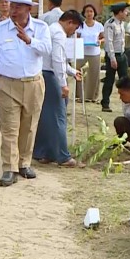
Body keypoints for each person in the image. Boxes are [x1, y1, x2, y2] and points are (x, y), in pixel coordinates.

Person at [0, 0, 51, 187]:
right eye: (12, 6)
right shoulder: (0, 29)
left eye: (18, 7)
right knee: (9, 128)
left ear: (29, 9)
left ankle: (24, 163)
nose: (13, 10)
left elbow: (47, 49)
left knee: (29, 127)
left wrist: (30, 41)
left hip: (34, 84)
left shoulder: (41, 28)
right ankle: (9, 168)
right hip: (7, 84)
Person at [33, 10, 85, 167]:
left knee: (46, 116)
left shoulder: (51, 30)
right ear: (70, 22)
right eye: (75, 28)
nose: (74, 32)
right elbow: (57, 60)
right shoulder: (59, 34)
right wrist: (63, 84)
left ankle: (44, 152)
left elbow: (59, 60)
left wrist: (72, 71)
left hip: (44, 73)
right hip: (51, 76)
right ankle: (63, 155)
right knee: (58, 117)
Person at [101, 3, 129, 112]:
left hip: (122, 54)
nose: (127, 13)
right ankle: (105, 103)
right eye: (125, 11)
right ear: (120, 12)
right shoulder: (110, 24)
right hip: (113, 55)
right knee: (109, 80)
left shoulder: (121, 23)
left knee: (125, 80)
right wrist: (112, 58)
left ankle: (127, 103)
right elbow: (109, 42)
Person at [76, 4, 104, 103]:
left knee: (94, 74)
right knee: (79, 73)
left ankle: (92, 96)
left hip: (94, 53)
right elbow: (76, 37)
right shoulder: (80, 25)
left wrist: (100, 41)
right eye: (87, 11)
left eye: (91, 11)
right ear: (84, 13)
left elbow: (103, 37)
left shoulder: (99, 25)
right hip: (82, 52)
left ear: (94, 13)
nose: (89, 13)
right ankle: (79, 95)